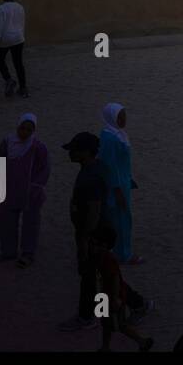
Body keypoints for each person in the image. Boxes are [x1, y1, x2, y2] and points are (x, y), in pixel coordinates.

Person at [59, 132, 108, 332]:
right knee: (102, 272)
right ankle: (137, 304)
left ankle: (86, 316)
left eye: (75, 149)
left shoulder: (91, 176)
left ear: (86, 152)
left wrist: (85, 238)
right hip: (92, 232)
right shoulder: (93, 169)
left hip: (91, 233)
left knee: (89, 274)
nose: (70, 153)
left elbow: (94, 210)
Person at [0, 112, 50, 267]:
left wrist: (37, 186)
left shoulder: (38, 147)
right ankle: (8, 251)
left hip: (30, 192)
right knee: (6, 220)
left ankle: (28, 253)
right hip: (9, 189)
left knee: (30, 223)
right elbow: (0, 160)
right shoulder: (7, 142)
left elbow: (44, 169)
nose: (24, 132)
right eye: (22, 128)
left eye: (28, 130)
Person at [90, 223, 154, 352]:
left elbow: (115, 280)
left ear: (104, 245)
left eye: (95, 243)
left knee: (120, 324)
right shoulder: (100, 257)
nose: (92, 246)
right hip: (103, 296)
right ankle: (105, 347)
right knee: (106, 323)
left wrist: (115, 299)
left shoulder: (108, 260)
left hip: (112, 297)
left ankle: (142, 341)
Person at [98, 102, 141, 264]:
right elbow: (110, 166)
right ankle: (123, 254)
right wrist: (117, 189)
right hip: (116, 185)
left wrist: (128, 179)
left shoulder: (116, 134)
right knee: (121, 218)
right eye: (120, 116)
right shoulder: (111, 138)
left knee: (118, 217)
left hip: (122, 182)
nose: (123, 119)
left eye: (124, 116)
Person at [0, 0, 27, 97]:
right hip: (18, 38)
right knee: (18, 63)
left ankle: (8, 79)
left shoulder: (1, 9)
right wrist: (21, 36)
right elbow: (22, 23)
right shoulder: (20, 7)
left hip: (5, 39)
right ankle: (23, 88)